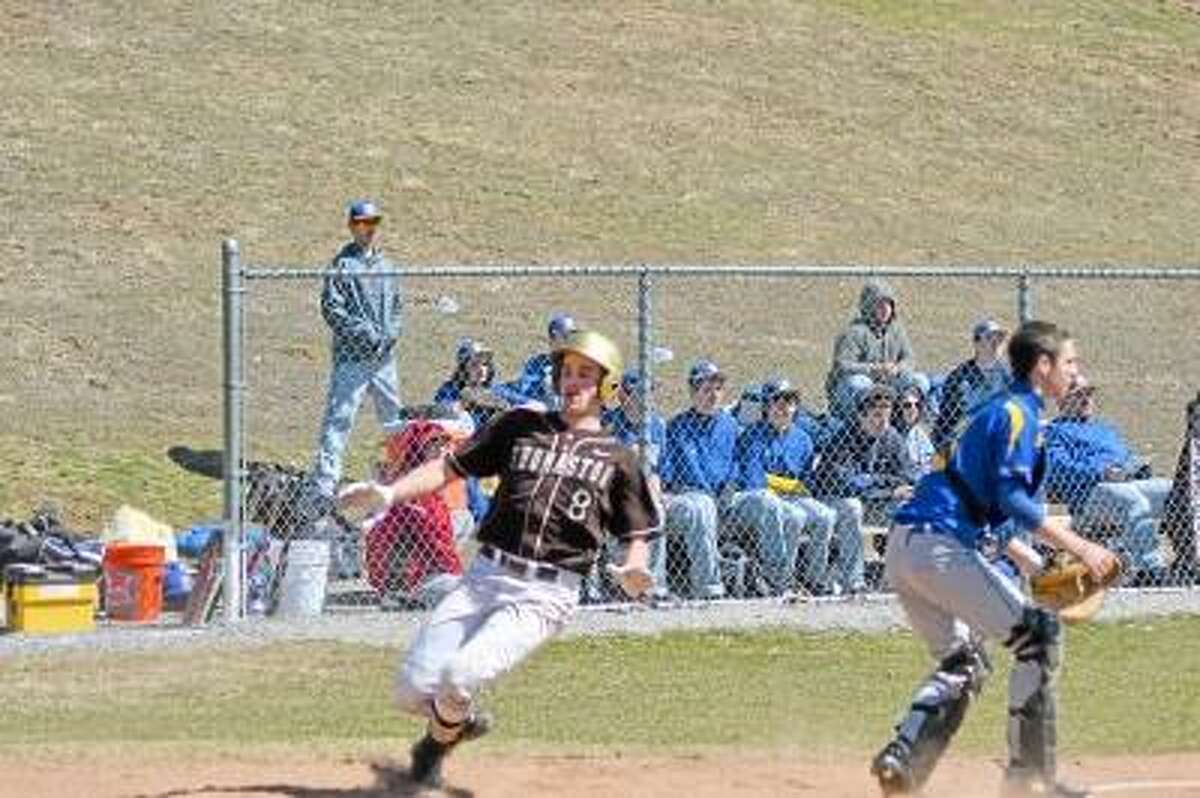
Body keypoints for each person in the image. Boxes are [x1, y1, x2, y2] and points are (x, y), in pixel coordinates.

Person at [338, 329, 659, 790]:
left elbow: (638, 529)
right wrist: (389, 491)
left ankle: (433, 746)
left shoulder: (618, 458)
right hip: (484, 576)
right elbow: (449, 468)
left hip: (545, 593)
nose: (572, 382)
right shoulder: (520, 425)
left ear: (608, 386)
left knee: (458, 677)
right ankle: (451, 727)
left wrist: (634, 564)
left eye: (586, 375)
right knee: (411, 690)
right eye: (566, 371)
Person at [870, 320, 1120, 798]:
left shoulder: (998, 410)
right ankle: (1030, 779)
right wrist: (1082, 547)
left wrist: (1035, 564)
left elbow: (986, 507)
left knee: (964, 663)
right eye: (1069, 362)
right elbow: (1012, 502)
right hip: (939, 545)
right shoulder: (1017, 413)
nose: (1076, 372)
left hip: (909, 544)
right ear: (1042, 367)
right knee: (1039, 638)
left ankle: (903, 759)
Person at [311, 199, 404, 497]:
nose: (369, 229)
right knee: (339, 419)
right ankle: (325, 485)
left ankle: (400, 476)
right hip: (352, 359)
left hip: (384, 360)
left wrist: (391, 333)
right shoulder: (341, 266)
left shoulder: (387, 266)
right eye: (362, 223)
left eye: (373, 223)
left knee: (394, 420)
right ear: (352, 226)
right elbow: (332, 310)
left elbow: (397, 308)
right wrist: (364, 333)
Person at [1044, 376, 1171, 586]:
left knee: (1176, 491)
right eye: (1079, 394)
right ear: (1061, 400)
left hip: (1126, 483)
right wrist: (1101, 472)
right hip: (1091, 495)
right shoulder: (1056, 432)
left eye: (1089, 394)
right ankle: (1150, 570)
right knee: (1133, 501)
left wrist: (1136, 467)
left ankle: (1190, 559)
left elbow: (1126, 456)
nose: (1087, 399)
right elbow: (1059, 469)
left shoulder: (1105, 429)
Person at [727, 379, 838, 596]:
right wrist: (790, 486)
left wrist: (789, 486)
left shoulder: (803, 439)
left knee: (825, 515)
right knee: (794, 515)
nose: (782, 408)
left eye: (789, 402)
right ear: (766, 407)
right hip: (759, 499)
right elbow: (754, 481)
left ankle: (815, 579)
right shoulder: (752, 436)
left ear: (795, 407)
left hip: (792, 498)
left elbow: (806, 486)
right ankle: (781, 582)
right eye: (776, 402)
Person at [814, 385, 918, 595]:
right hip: (836, 501)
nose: (882, 422)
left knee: (909, 505)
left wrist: (874, 483)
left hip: (877, 502)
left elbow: (907, 476)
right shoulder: (843, 438)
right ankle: (854, 581)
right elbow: (847, 484)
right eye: (876, 415)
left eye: (887, 415)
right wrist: (888, 487)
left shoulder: (892, 437)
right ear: (861, 416)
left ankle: (893, 579)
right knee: (853, 506)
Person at [658, 359, 739, 599]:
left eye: (717, 389)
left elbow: (737, 465)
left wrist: (729, 489)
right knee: (701, 505)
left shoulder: (731, 425)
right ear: (693, 393)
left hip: (725, 496)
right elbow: (668, 473)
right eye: (706, 389)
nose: (713, 395)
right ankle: (708, 587)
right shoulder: (677, 427)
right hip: (687, 496)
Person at [364, 420, 464, 609]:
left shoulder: (410, 479)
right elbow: (437, 546)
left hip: (405, 576)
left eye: (444, 445)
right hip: (415, 581)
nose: (442, 451)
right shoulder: (416, 491)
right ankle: (405, 596)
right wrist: (457, 574)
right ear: (418, 448)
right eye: (434, 445)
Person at [824, 280, 929, 418]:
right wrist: (874, 369)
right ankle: (861, 422)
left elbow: (909, 358)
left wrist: (897, 368)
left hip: (889, 384)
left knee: (920, 380)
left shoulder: (897, 331)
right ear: (868, 306)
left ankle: (906, 419)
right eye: (879, 304)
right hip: (854, 390)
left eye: (889, 304)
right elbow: (843, 365)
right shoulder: (854, 332)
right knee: (859, 382)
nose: (885, 309)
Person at [931, 318, 1011, 455]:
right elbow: (947, 420)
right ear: (977, 343)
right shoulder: (960, 376)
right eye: (991, 338)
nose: (997, 343)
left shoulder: (1009, 377)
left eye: (1000, 339)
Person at [500, 312, 578, 408]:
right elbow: (525, 390)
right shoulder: (538, 363)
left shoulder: (578, 364)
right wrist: (543, 388)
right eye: (566, 336)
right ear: (553, 338)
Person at [894, 384, 936, 478]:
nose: (913, 409)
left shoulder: (918, 431)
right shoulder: (893, 433)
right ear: (898, 408)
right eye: (907, 405)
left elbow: (931, 460)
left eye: (917, 405)